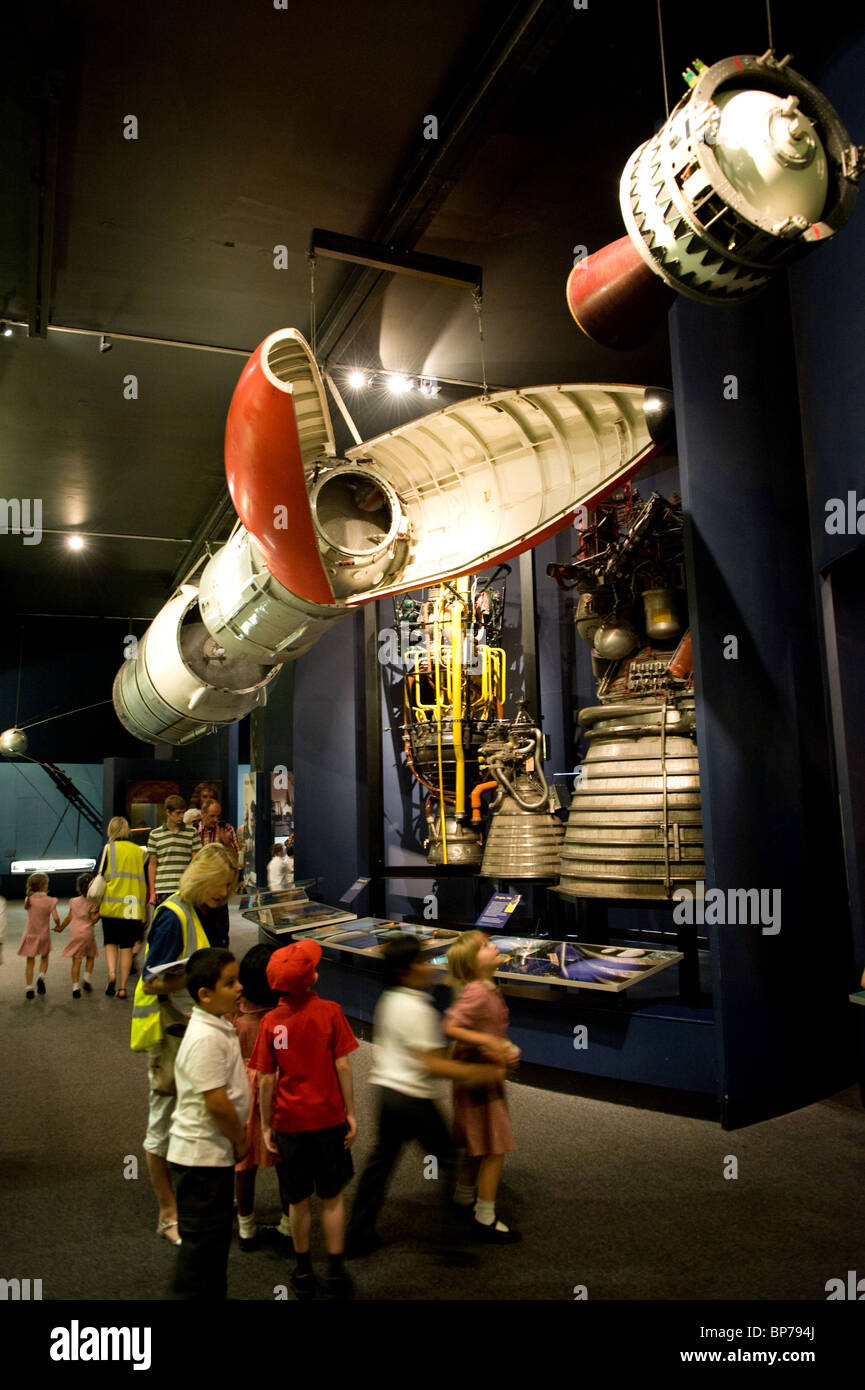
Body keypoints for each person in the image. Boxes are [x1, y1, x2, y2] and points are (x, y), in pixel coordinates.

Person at [345, 934, 507, 1261]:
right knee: (448, 1158)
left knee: (380, 1165)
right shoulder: (417, 1008)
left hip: (386, 1093)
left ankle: (357, 1235)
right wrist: (481, 1073)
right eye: (420, 961)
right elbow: (433, 1064)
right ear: (405, 971)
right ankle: (452, 1242)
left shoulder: (388, 998)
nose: (427, 966)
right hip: (413, 1099)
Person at [134, 844, 237, 1247]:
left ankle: (203, 1197)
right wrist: (198, 979)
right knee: (161, 1126)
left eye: (229, 886)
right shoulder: (172, 917)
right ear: (202, 877)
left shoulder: (205, 912)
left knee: (203, 1118)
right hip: (173, 1036)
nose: (224, 892)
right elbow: (149, 982)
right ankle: (167, 1213)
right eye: (219, 884)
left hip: (201, 1032)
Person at [253, 941, 358, 1300]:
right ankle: (336, 1269)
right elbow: (343, 1065)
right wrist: (350, 1112)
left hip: (289, 1122)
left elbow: (266, 1078)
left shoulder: (270, 1022)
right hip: (328, 1118)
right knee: (331, 1197)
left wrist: (266, 1125)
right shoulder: (331, 1011)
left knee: (297, 1200)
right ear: (313, 976)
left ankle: (302, 1270)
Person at [168, 948, 250, 1300]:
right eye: (230, 983)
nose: (239, 988)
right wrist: (241, 1139)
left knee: (214, 1244)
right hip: (200, 1159)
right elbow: (215, 1101)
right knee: (201, 1249)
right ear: (205, 994)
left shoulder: (216, 1026)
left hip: (212, 1155)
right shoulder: (205, 1037)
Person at [443, 932, 522, 1243]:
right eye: (486, 948)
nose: (494, 948)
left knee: (479, 1141)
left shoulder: (484, 987)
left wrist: (501, 1046)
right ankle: (484, 1216)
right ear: (473, 965)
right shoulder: (476, 991)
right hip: (479, 1078)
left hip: (485, 1074)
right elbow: (451, 1026)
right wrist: (492, 1042)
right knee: (495, 1145)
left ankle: (463, 1197)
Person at [229, 944, 293, 1252]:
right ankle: (289, 1224)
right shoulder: (280, 1019)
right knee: (285, 1162)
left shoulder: (236, 1015)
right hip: (278, 1093)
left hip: (241, 1092)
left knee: (243, 1162)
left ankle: (246, 1228)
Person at [99, 816, 147, 1000]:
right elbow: (144, 881)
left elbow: (100, 875)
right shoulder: (139, 852)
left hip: (111, 904)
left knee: (110, 942)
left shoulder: (108, 849)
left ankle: (112, 974)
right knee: (127, 946)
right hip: (132, 906)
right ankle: (123, 987)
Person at [145, 795, 201, 911]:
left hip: (184, 889)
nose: (181, 817)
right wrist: (152, 892)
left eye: (183, 813)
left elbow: (197, 862)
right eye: (178, 813)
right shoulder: (155, 835)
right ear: (168, 812)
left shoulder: (192, 832)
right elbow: (152, 865)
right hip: (162, 888)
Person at [56, 873, 100, 997]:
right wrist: (101, 912)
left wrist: (60, 928)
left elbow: (69, 917)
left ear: (78, 888)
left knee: (76, 961)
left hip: (75, 934)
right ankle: (86, 978)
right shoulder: (93, 902)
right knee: (90, 956)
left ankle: (75, 987)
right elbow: (93, 919)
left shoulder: (73, 901)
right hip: (88, 934)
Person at [18, 872, 60, 998]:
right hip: (44, 935)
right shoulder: (51, 901)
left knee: (30, 961)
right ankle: (41, 976)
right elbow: (56, 918)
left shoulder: (28, 899)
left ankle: (29, 988)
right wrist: (58, 926)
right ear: (43, 886)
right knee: (45, 957)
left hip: (30, 934)